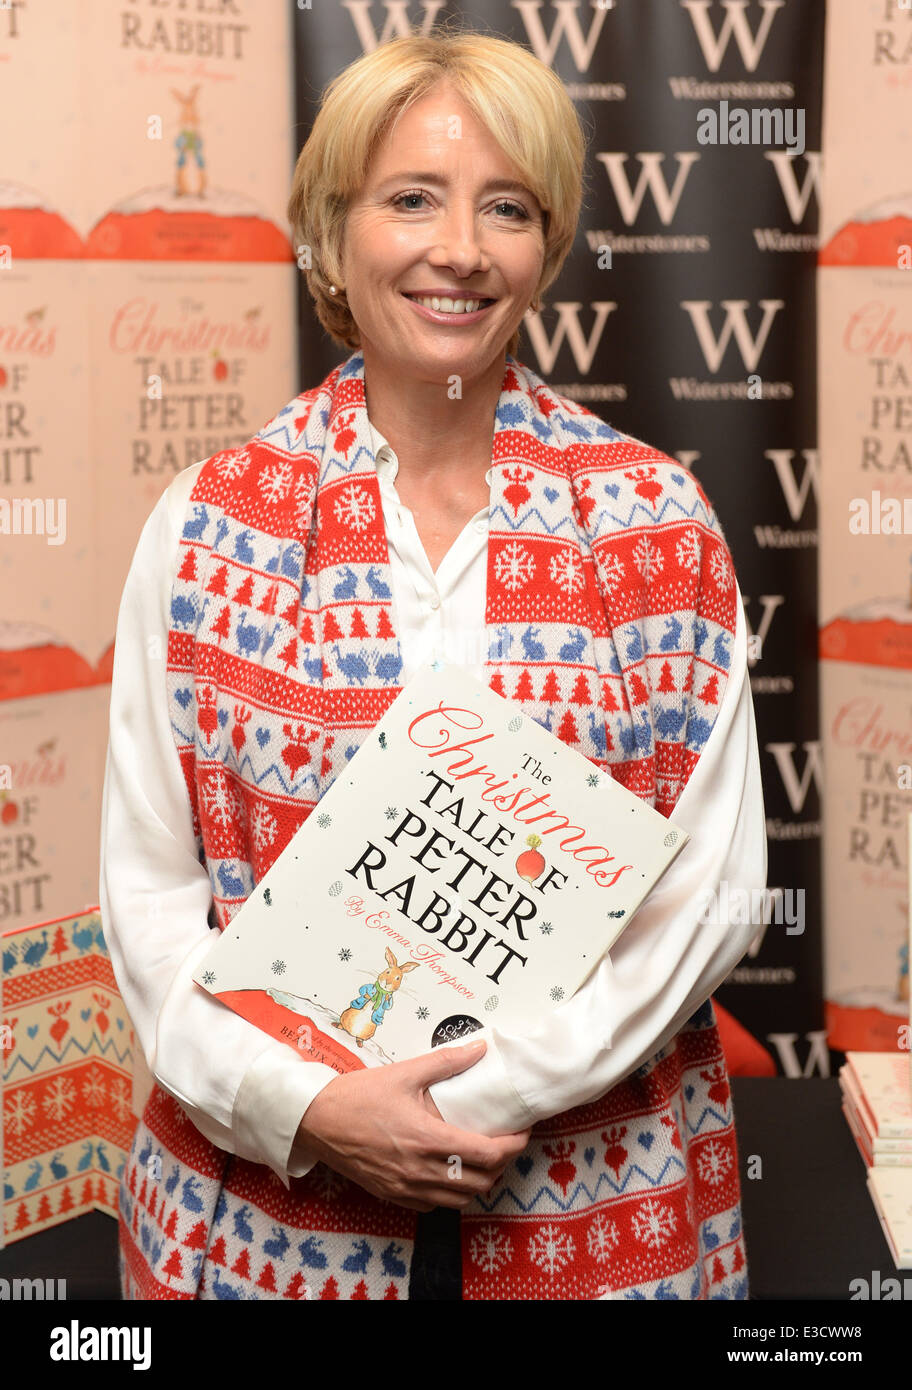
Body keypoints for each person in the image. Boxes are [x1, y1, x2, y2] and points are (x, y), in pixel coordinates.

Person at [100, 28, 767, 1302]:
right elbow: (146, 896)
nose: (460, 247)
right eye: (412, 197)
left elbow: (709, 895)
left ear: (548, 246)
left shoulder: (656, 525)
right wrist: (308, 1105)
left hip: (602, 1202)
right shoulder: (205, 523)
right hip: (256, 1220)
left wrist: (463, 1100)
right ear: (333, 233)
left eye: (505, 207)